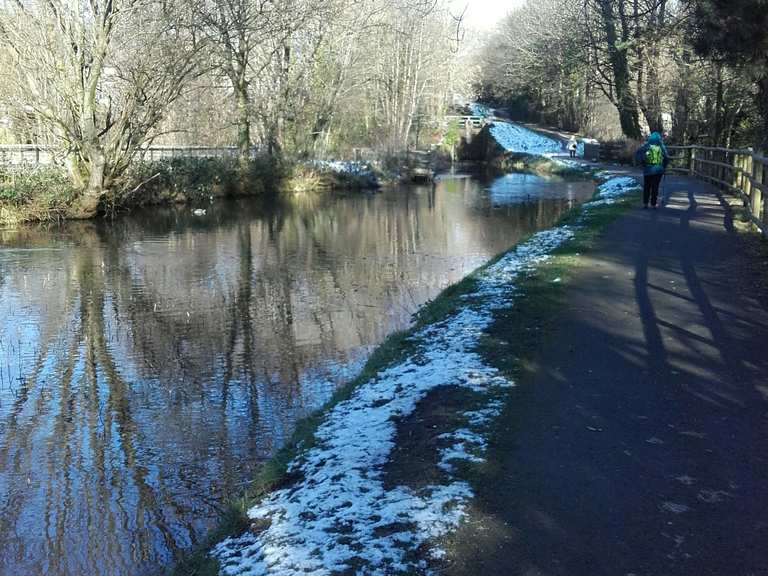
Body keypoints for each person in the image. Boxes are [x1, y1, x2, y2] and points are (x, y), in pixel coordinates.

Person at [634, 131, 670, 209]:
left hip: (647, 169)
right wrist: (664, 167)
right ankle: (653, 204)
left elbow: (637, 154)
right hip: (658, 170)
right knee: (655, 187)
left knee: (647, 186)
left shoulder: (646, 145)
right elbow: (666, 157)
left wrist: (642, 163)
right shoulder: (661, 146)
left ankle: (645, 203)